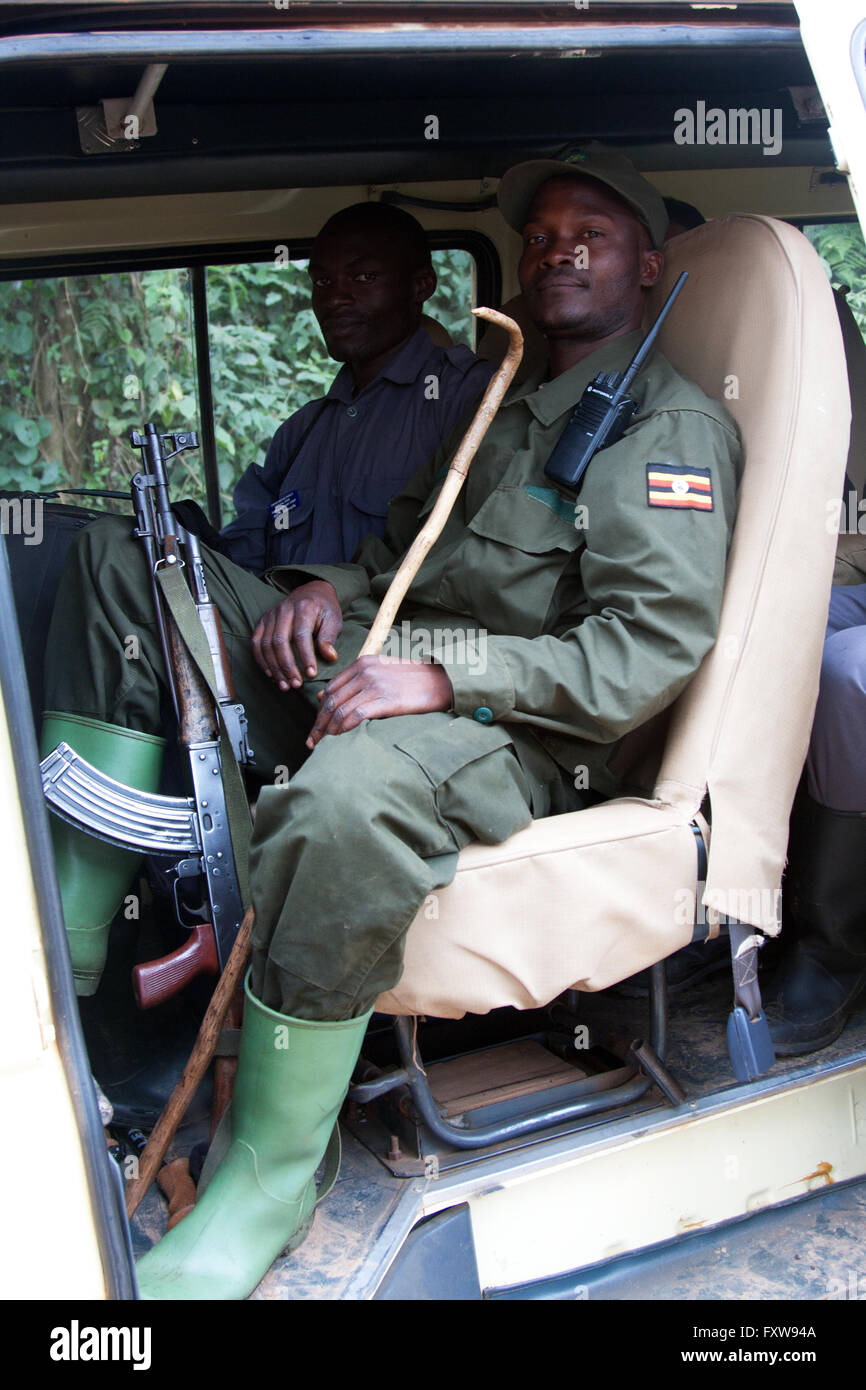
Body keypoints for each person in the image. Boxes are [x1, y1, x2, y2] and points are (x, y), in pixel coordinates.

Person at [43, 147, 741, 1298]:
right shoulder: (506, 401)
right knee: (127, 563)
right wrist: (325, 596)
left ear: (647, 266)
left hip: (522, 736)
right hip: (392, 667)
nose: (555, 248)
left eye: (592, 234)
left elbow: (638, 657)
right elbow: (392, 557)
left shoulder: (660, 432)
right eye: (541, 234)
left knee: (337, 799)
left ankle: (272, 1168)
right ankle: (66, 977)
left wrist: (440, 672)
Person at [219, 201, 494, 572]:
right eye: (322, 282)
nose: (334, 299)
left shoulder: (470, 398)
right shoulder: (302, 431)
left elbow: (474, 558)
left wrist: (337, 593)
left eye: (364, 277)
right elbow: (243, 555)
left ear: (421, 286)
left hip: (401, 628)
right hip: (279, 625)